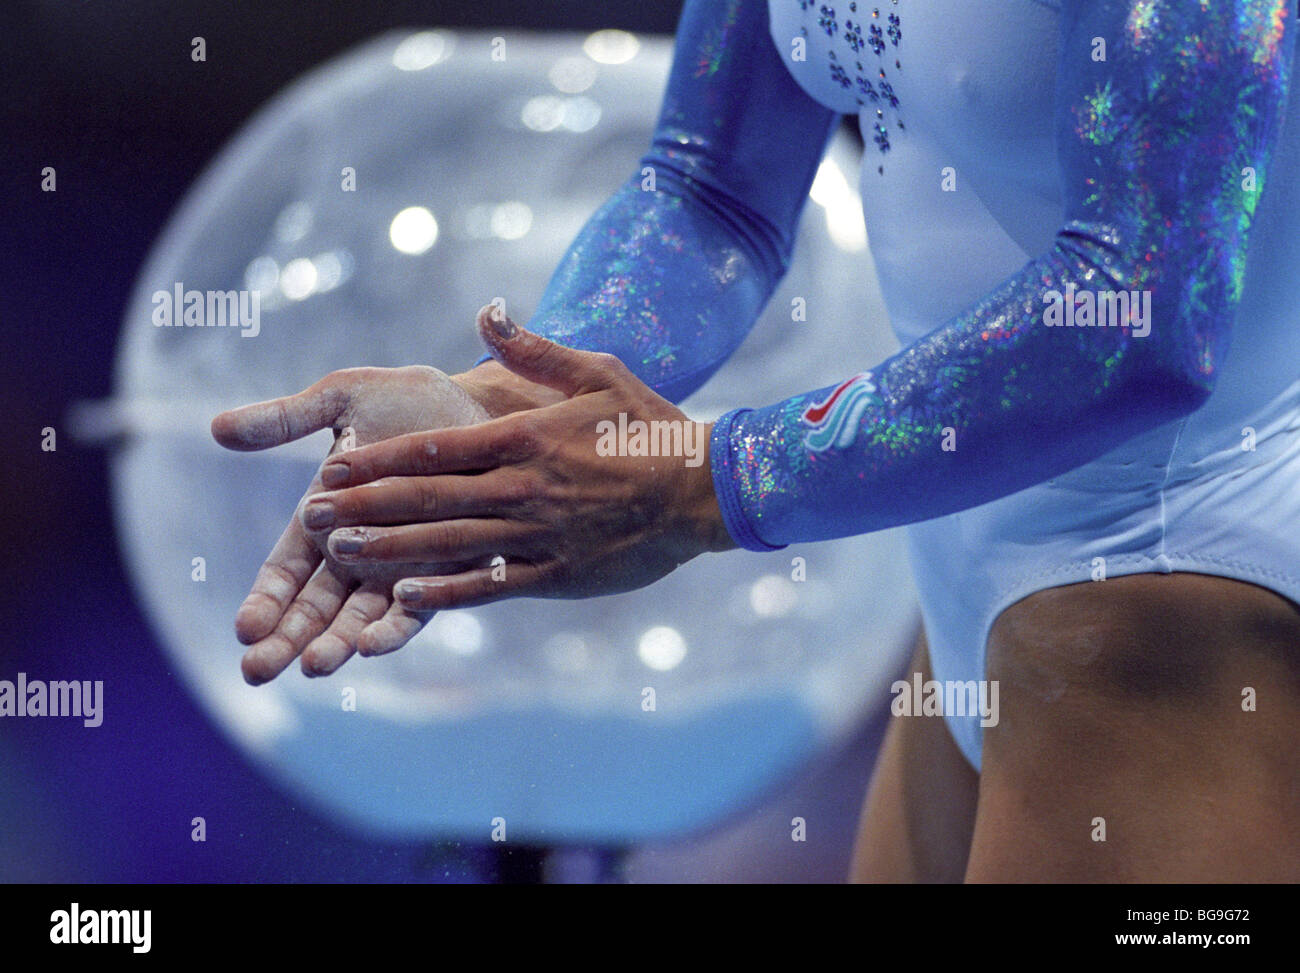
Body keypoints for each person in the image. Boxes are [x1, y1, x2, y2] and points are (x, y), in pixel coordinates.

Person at [212, 0, 1300, 881]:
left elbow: (1144, 308)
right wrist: (510, 404)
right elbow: (712, 187)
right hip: (983, 560)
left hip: (1184, 557)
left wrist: (705, 483)